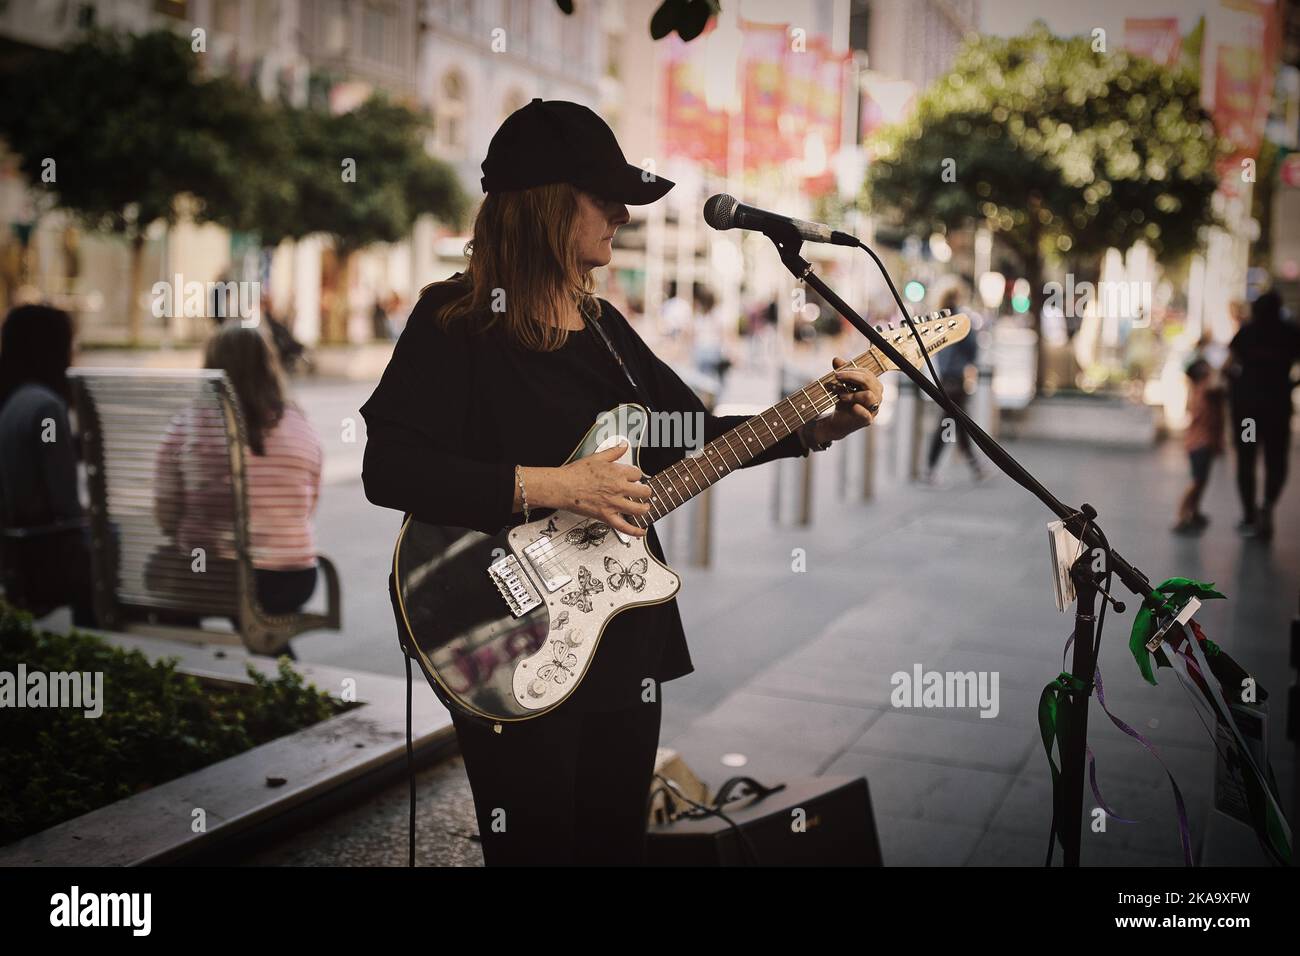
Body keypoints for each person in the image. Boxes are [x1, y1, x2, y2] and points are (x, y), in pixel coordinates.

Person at [359, 98, 884, 866]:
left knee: (613, 847)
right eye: (605, 199)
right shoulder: (456, 320)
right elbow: (389, 467)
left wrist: (811, 427)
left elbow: (687, 438)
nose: (622, 217)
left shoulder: (603, 325)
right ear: (543, 205)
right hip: (502, 634)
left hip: (619, 636)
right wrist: (555, 486)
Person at [152, 321, 323, 650]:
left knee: (169, 573)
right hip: (292, 576)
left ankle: (184, 666)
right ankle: (278, 673)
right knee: (260, 621)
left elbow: (166, 514)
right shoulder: (301, 425)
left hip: (213, 574)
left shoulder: (190, 424)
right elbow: (308, 505)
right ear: (268, 364)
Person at [0, 304, 95, 625]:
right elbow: (65, 500)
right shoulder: (46, 410)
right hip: (44, 555)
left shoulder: (15, 402)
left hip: (17, 550)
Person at [1225, 289, 1300, 539]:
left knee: (1247, 458)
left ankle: (1249, 515)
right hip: (1277, 410)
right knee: (1275, 460)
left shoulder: (1248, 331)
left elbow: (1228, 366)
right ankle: (1267, 504)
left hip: (1249, 413)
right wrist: (1290, 384)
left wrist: (1239, 385)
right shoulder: (1290, 332)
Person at [923, 286, 985, 484]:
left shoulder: (938, 320)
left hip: (945, 378)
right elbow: (972, 347)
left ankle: (974, 464)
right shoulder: (961, 320)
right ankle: (932, 468)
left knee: (957, 421)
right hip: (956, 379)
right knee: (950, 423)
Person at [1173, 357, 1225, 534]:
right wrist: (1217, 368)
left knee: (1201, 481)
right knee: (1197, 482)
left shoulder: (1195, 390)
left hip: (1200, 442)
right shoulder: (1207, 389)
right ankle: (1181, 516)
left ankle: (1193, 513)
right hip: (1200, 443)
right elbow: (1218, 384)